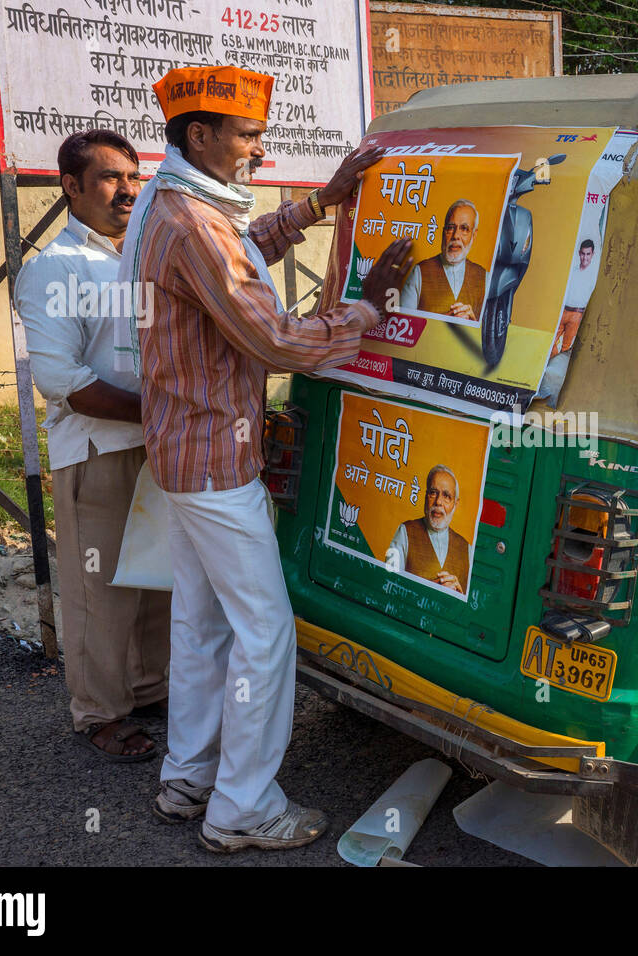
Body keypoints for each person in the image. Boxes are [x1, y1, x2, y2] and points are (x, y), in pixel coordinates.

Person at [118, 64, 411, 852]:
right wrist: (366, 309)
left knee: (202, 619)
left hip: (182, 447)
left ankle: (189, 776)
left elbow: (244, 247)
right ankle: (241, 807)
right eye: (245, 135)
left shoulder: (170, 201)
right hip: (216, 454)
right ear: (200, 135)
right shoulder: (192, 224)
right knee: (266, 631)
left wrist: (322, 203)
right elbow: (275, 338)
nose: (256, 146)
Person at [13, 129, 171, 763]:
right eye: (110, 178)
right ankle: (99, 714)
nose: (127, 189)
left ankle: (148, 689)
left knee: (157, 579)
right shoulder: (54, 267)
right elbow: (63, 381)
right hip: (98, 451)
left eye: (134, 177)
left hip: (156, 448)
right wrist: (159, 415)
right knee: (99, 591)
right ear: (71, 187)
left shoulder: (141, 257)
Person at [385, 465, 469, 594]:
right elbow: (388, 583)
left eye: (446, 496)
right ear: (426, 497)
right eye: (433, 493)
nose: (438, 502)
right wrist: (428, 587)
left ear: (455, 504)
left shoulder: (466, 548)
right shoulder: (405, 532)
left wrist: (459, 593)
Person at [398, 200, 486, 320]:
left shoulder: (485, 278)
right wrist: (441, 322)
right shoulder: (419, 272)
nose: (456, 235)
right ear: (443, 232)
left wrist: (473, 322)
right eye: (451, 228)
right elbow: (401, 325)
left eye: (464, 229)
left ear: (474, 235)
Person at [553, 238, 597, 358]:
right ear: (579, 253)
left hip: (577, 314)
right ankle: (553, 363)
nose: (585, 257)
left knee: (566, 348)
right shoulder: (573, 272)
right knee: (551, 342)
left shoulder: (593, 277)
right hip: (564, 311)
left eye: (588, 254)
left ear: (592, 254)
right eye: (583, 253)